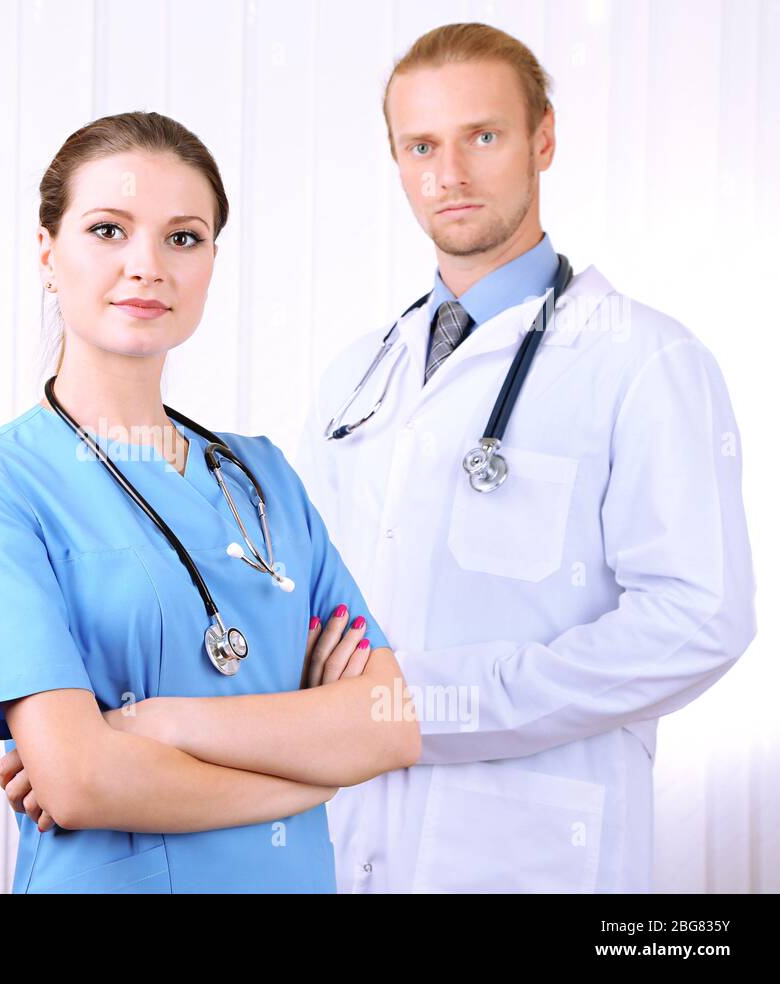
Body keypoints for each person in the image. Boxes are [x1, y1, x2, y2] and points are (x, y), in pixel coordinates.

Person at [298, 23, 756, 893]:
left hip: (530, 854)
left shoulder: (643, 360)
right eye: (421, 145)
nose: (450, 174)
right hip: (345, 836)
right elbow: (303, 605)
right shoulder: (358, 375)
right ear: (394, 158)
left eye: (483, 135)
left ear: (544, 137)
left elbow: (701, 619)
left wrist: (429, 705)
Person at [0, 111, 420, 894]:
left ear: (211, 263)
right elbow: (81, 781)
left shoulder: (263, 480)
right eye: (108, 230)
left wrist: (159, 724)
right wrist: (313, 774)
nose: (147, 265)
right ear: (47, 253)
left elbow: (391, 723)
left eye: (182, 237)